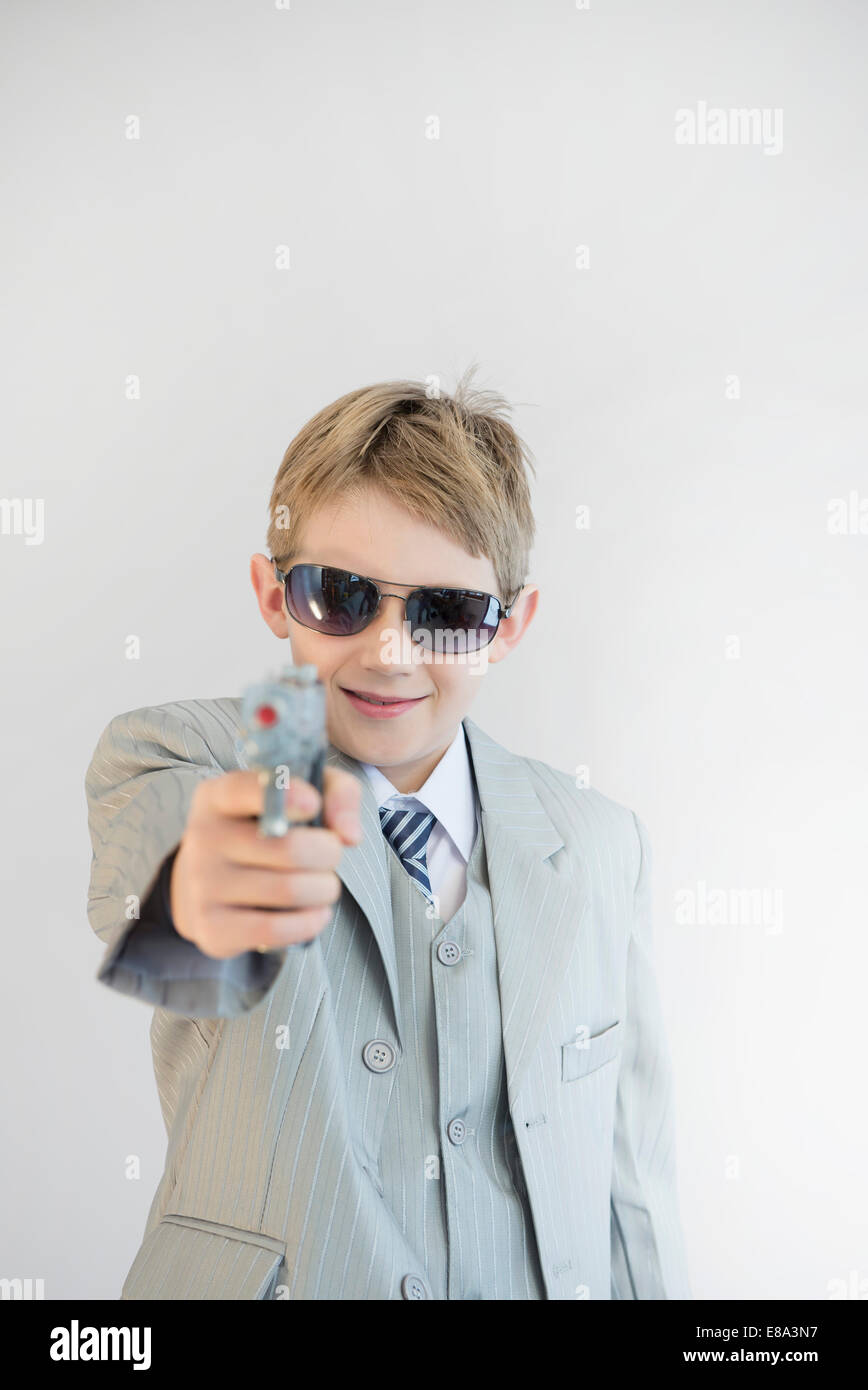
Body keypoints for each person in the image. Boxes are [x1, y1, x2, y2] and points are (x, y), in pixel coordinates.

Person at [84, 369, 691, 1301]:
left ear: (509, 625)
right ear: (273, 593)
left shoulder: (603, 844)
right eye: (340, 596)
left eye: (446, 614)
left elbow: (632, 1185)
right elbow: (163, 884)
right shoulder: (189, 757)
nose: (390, 653)